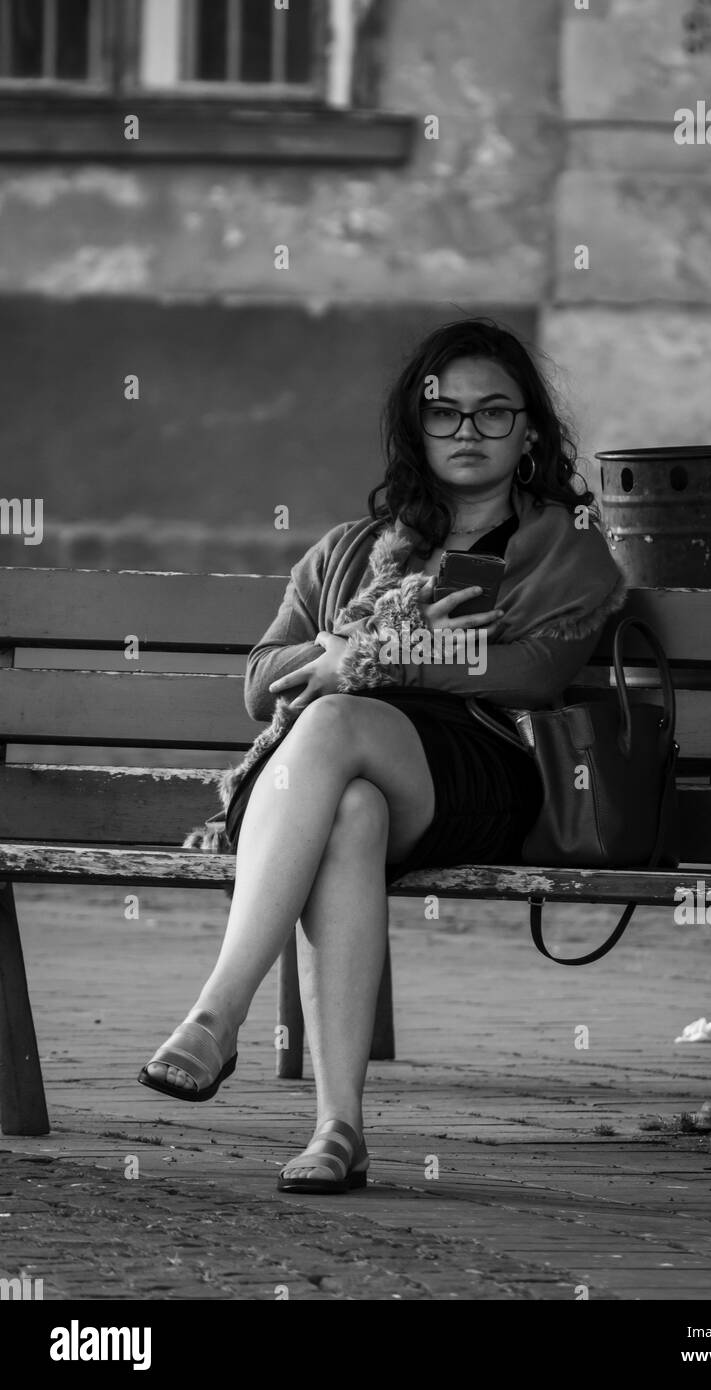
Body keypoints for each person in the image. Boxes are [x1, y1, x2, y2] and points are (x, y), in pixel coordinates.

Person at [138, 318, 627, 1193]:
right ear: (416, 427)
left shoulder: (563, 547)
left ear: (530, 433)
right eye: (444, 414)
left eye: (492, 413)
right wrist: (339, 658)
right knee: (349, 809)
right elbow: (259, 684)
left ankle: (218, 1010)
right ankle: (338, 1129)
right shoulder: (347, 549)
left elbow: (532, 675)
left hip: (475, 771)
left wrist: (367, 656)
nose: (467, 433)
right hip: (324, 787)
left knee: (333, 723)